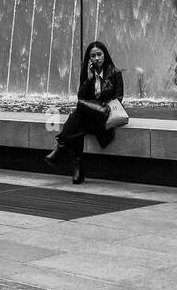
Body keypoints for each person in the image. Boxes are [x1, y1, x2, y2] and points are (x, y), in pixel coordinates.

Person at [44, 40, 124, 186]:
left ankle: (63, 149)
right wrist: (89, 79)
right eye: (93, 56)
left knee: (77, 116)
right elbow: (81, 97)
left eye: (99, 54)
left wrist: (100, 107)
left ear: (105, 55)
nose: (97, 58)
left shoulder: (115, 73)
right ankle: (77, 168)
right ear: (90, 59)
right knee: (78, 122)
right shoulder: (88, 73)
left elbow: (118, 99)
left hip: (104, 115)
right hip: (89, 116)